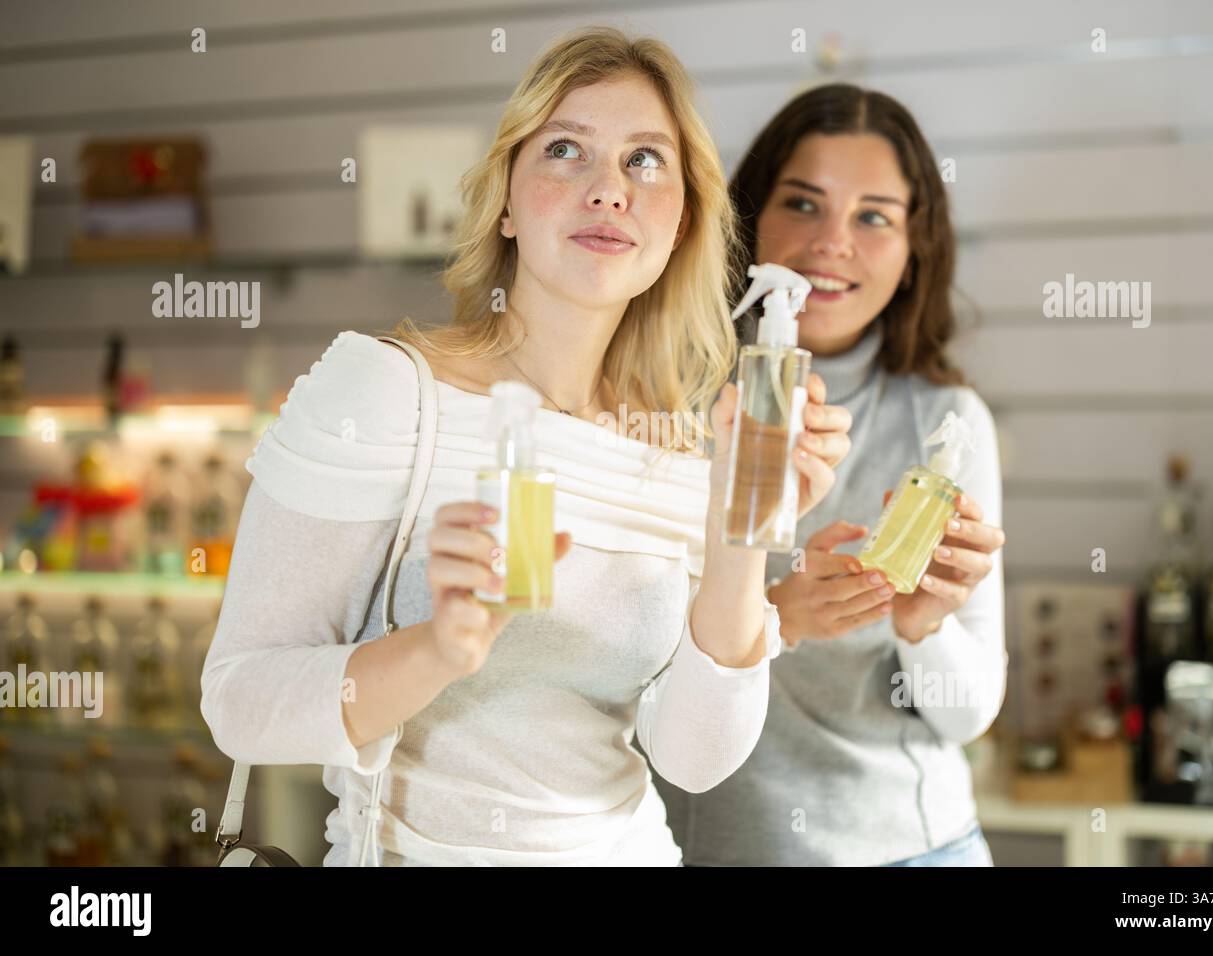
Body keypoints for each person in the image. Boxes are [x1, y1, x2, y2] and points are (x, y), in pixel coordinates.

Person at [199, 28, 851, 866]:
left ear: (682, 219)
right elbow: (240, 700)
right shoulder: (390, 394)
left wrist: (739, 536)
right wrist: (438, 648)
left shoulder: (685, 449)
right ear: (505, 200)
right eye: (566, 150)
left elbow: (695, 760)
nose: (609, 190)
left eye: (646, 161)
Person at [652, 84, 1008, 866]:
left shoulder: (943, 426)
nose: (831, 243)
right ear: (747, 219)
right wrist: (774, 616)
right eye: (802, 203)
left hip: (911, 848)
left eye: (874, 216)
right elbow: (619, 658)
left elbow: (969, 715)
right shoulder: (660, 397)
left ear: (917, 247)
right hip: (704, 848)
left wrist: (923, 626)